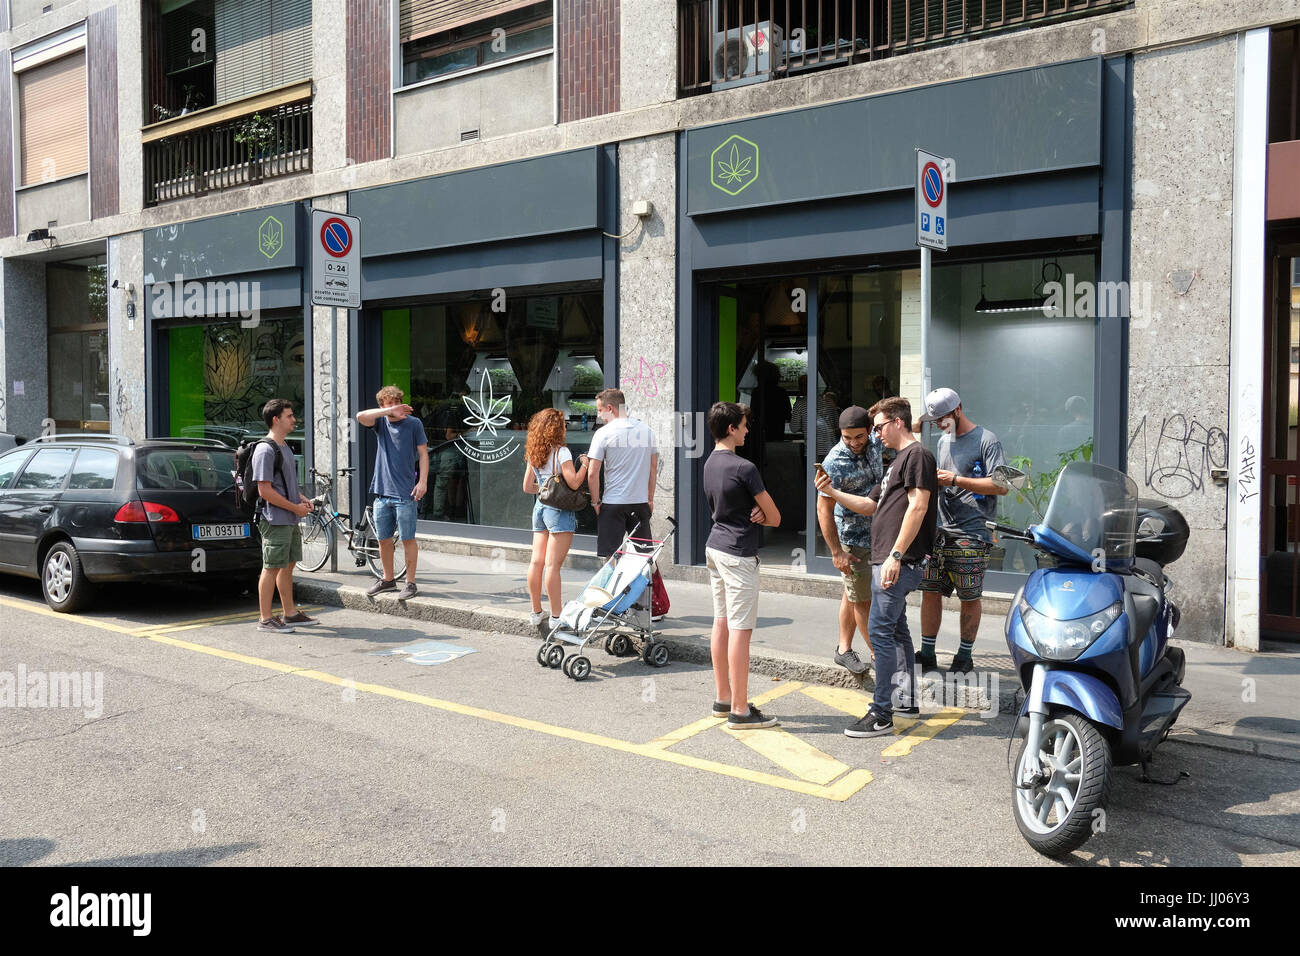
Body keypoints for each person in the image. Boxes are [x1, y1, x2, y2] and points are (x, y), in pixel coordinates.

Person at [815, 396, 937, 738]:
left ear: (898, 423)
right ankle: (905, 700)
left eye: (879, 427)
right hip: (883, 557)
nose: (876, 435)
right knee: (896, 631)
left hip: (896, 561)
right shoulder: (898, 461)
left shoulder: (917, 456)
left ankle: (881, 714)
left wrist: (896, 555)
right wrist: (833, 492)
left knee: (881, 634)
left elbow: (918, 507)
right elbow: (870, 505)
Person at [915, 388, 1009, 674]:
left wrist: (956, 479)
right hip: (940, 530)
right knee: (929, 591)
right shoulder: (943, 442)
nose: (940, 425)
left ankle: (964, 656)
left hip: (973, 532)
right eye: (934, 422)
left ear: (957, 410)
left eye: (943, 418)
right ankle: (928, 652)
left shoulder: (987, 440)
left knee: (969, 596)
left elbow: (1001, 485)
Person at [703, 402, 782, 729]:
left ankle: (724, 698)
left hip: (715, 547)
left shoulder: (709, 463)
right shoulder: (744, 468)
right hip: (738, 554)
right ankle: (740, 709)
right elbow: (776, 517)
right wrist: (762, 514)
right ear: (731, 428)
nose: (748, 430)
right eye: (744, 425)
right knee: (741, 630)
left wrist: (757, 512)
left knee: (721, 621)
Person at [816, 405, 884, 677]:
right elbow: (824, 509)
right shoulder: (834, 462)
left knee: (853, 593)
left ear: (869, 431)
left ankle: (843, 650)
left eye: (859, 436)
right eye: (847, 437)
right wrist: (836, 552)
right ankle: (878, 654)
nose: (854, 443)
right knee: (863, 601)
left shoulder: (877, 443)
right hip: (852, 542)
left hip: (876, 536)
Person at [356, 385, 429, 601]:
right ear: (383, 407)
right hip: (382, 492)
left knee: (408, 539)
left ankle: (410, 583)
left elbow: (423, 454)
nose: (395, 406)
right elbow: (360, 416)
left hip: (405, 493)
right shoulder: (380, 422)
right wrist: (387, 412)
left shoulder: (414, 424)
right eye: (390, 403)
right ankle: (388, 580)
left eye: (397, 402)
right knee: (383, 540)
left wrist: (422, 482)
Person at [251, 398, 317, 632]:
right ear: (276, 419)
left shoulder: (285, 447)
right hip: (274, 519)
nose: (294, 420)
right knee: (271, 567)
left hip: (288, 517)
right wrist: (294, 508)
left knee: (287, 566)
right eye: (289, 416)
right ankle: (265, 619)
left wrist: (299, 497)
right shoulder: (265, 450)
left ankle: (289, 614)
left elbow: (284, 484)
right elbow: (265, 490)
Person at [522, 408, 590, 630]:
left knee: (536, 562)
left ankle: (536, 612)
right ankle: (556, 617)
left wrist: (544, 487)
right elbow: (574, 483)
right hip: (558, 511)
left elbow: (527, 487)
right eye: (563, 425)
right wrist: (585, 465)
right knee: (552, 566)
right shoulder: (562, 452)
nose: (565, 429)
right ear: (556, 428)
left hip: (539, 508)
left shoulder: (535, 452)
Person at [587, 388, 658, 559]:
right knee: (642, 559)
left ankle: (612, 586)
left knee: (610, 558)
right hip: (640, 503)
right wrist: (649, 498)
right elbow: (653, 468)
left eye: (599, 410)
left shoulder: (603, 433)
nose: (599, 416)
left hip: (613, 504)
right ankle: (641, 587)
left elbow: (592, 473)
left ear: (610, 408)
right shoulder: (647, 431)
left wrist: (595, 502)